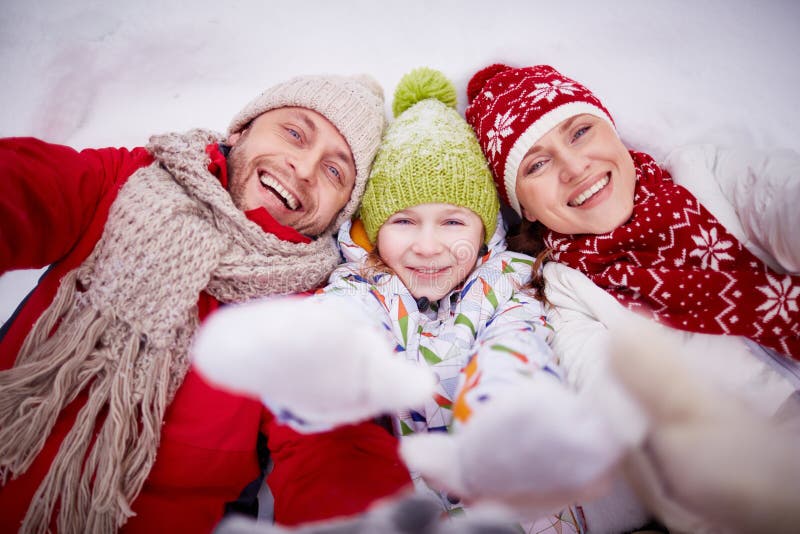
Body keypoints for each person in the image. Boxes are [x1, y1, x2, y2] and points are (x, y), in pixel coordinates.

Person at [193, 68, 625, 534]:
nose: (428, 246)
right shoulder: (359, 287)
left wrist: (502, 398)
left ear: (486, 230)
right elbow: (343, 324)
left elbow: (518, 340)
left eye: (453, 222)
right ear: (373, 230)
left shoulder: (508, 281)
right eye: (403, 222)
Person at [0, 74, 416, 533]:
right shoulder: (123, 184)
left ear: (340, 211)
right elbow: (20, 190)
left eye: (335, 171)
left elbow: (339, 449)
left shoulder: (310, 314)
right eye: (294, 133)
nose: (303, 168)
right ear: (240, 131)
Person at [460, 63, 800, 532]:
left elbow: (782, 198)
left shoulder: (703, 174)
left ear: (611, 129)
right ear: (524, 208)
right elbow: (609, 392)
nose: (574, 167)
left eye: (580, 131)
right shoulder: (566, 292)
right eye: (536, 164)